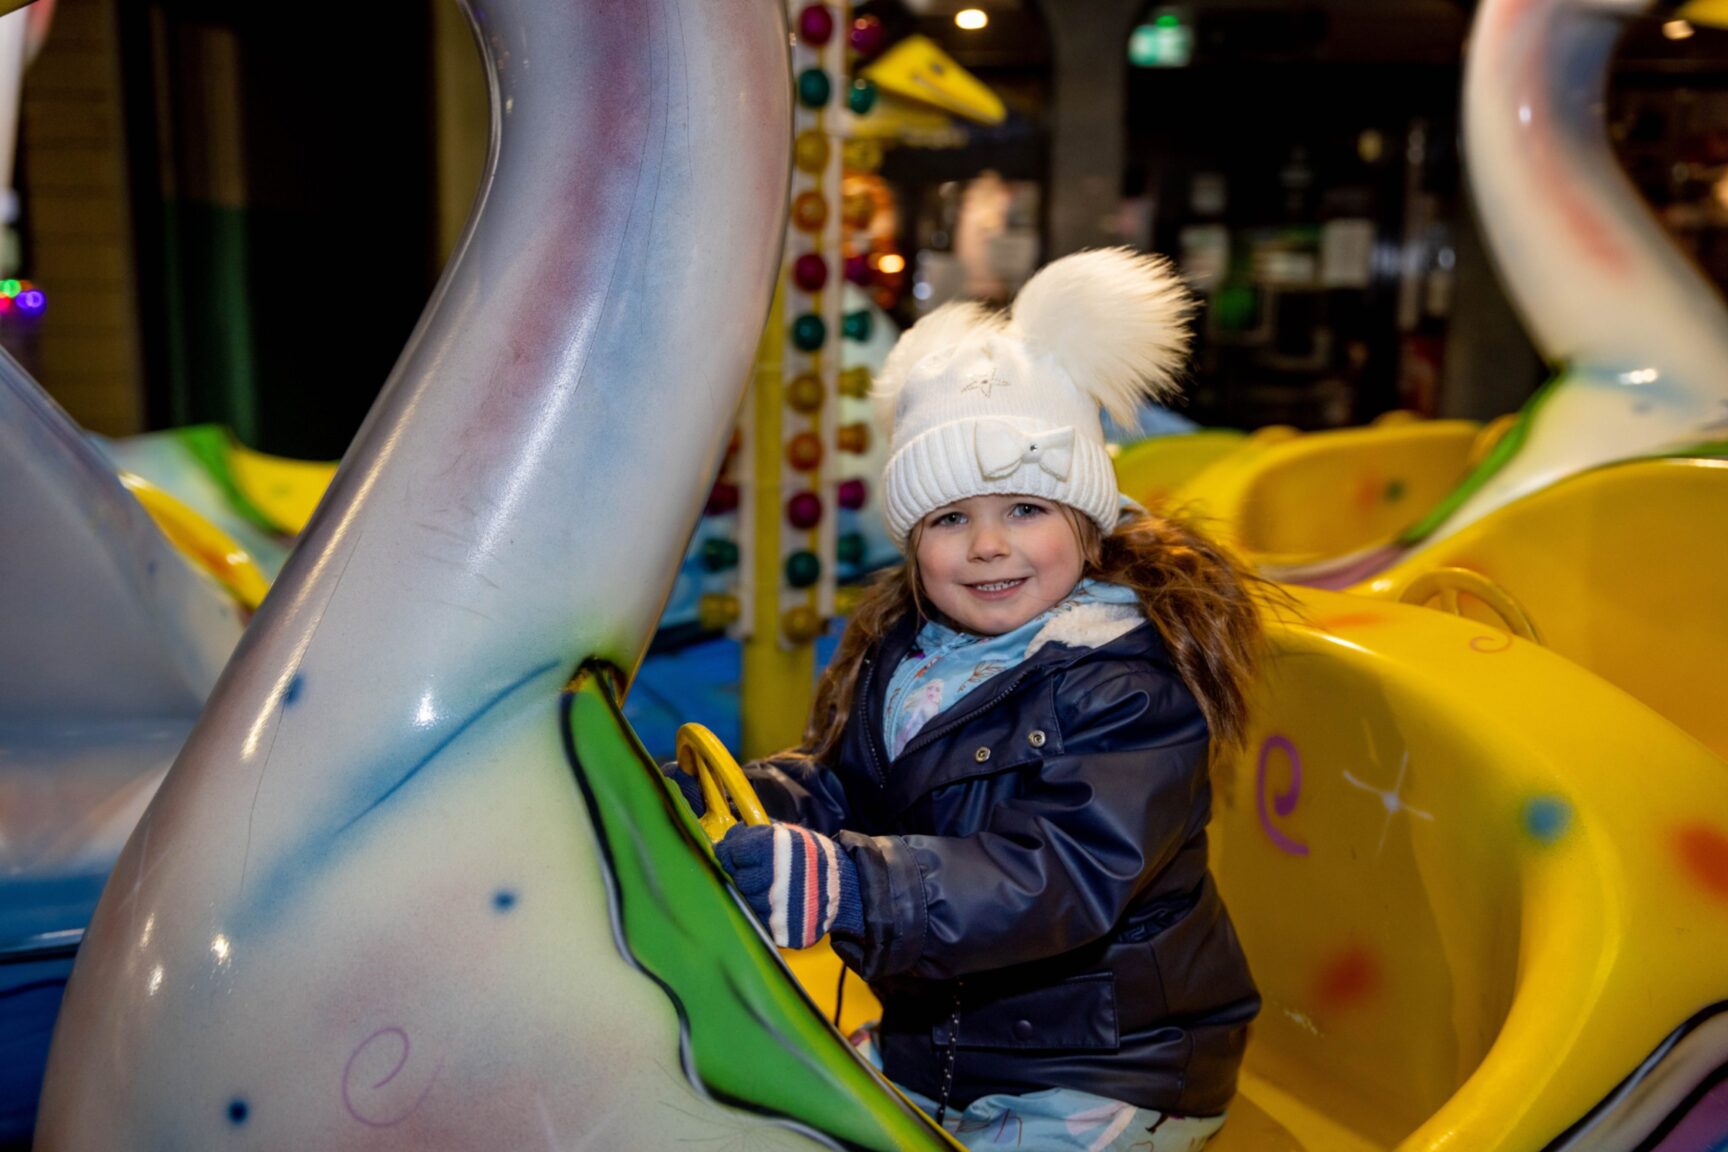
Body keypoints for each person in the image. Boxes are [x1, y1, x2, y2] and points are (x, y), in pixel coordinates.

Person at [672, 248, 1265, 1151]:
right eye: (950, 518)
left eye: (1025, 508)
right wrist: (763, 803)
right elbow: (850, 787)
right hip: (948, 1041)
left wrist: (853, 888)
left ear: (1087, 519)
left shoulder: (1130, 685)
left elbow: (1058, 878)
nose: (988, 545)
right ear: (914, 543)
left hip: (1102, 1062)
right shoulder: (913, 654)